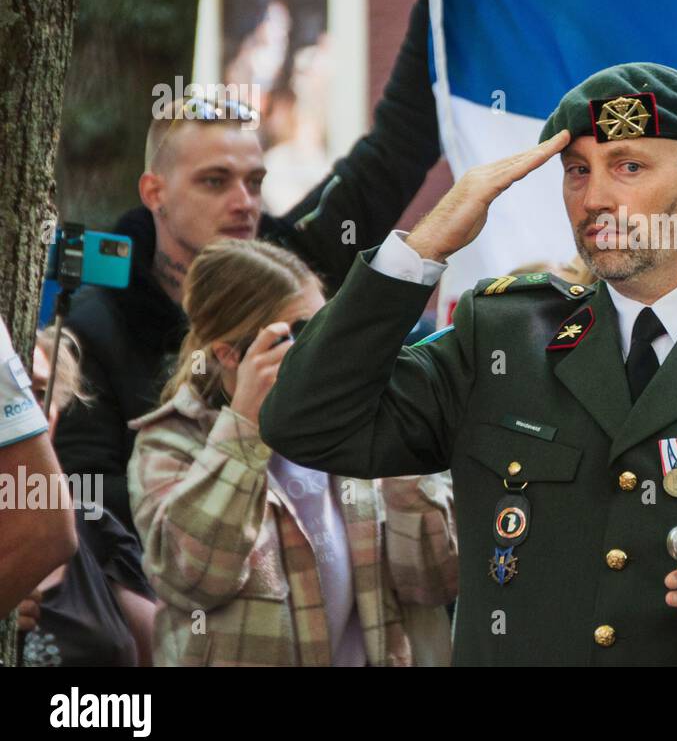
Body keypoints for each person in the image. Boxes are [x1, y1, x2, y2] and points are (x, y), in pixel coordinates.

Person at [261, 62, 677, 666]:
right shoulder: (499, 335)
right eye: (577, 171)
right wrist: (422, 248)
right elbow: (305, 420)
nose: (594, 198)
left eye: (628, 166)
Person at [54, 0, 498, 534]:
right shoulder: (96, 317)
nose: (244, 201)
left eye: (255, 180)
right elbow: (95, 514)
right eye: (214, 180)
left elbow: (401, 142)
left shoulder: (300, 259)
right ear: (154, 191)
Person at [128, 239, 457, 666]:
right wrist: (246, 429)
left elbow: (435, 577)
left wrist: (393, 434)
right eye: (301, 335)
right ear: (231, 354)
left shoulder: (357, 429)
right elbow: (193, 578)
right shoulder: (172, 441)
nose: (323, 350)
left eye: (327, 328)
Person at [19, 327, 157, 667]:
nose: (27, 410)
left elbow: (166, 653)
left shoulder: (94, 526)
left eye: (39, 391)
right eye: (10, 392)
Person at [0, 313, 78, 663]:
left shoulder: (99, 526)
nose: (37, 411)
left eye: (43, 394)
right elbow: (47, 533)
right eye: (24, 390)